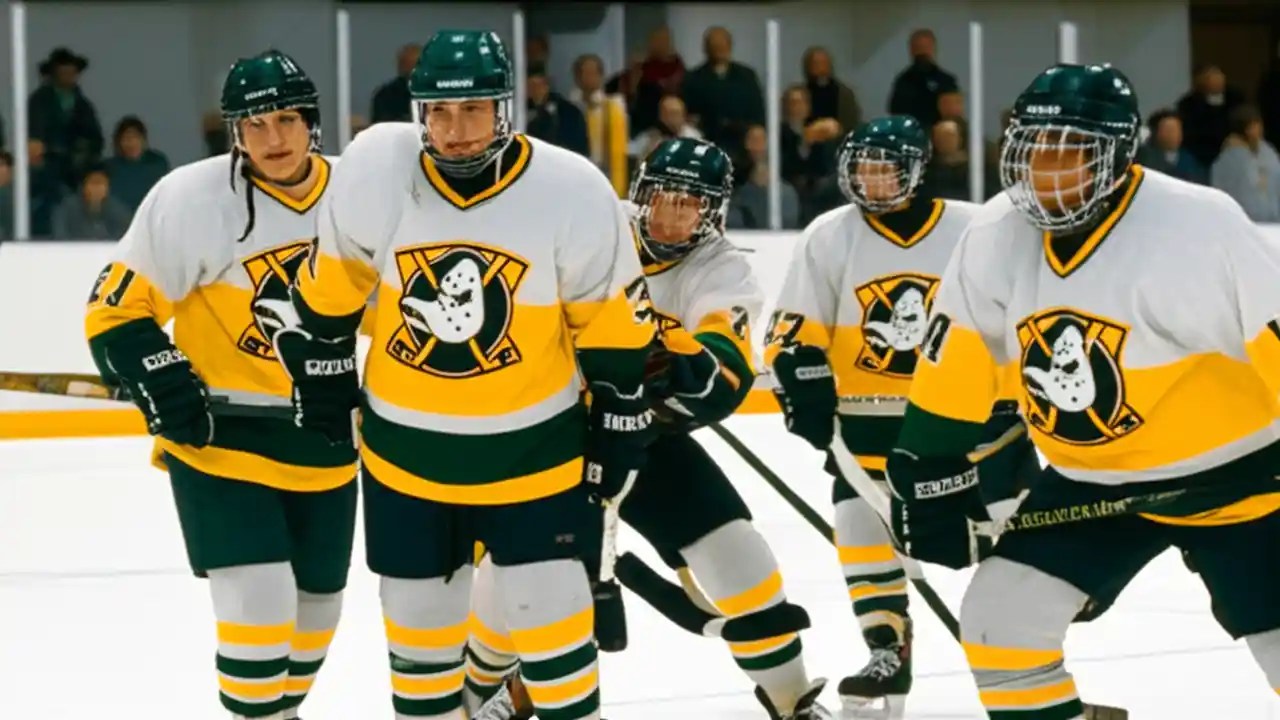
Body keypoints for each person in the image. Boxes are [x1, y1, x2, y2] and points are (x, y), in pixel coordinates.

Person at [276, 30, 656, 720]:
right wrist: (324, 368)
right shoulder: (375, 169)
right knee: (420, 642)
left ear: (504, 110)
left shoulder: (570, 188)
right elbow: (333, 289)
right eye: (439, 114)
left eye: (473, 111)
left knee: (554, 625)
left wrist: (621, 410)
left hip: (534, 454)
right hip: (405, 460)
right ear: (419, 112)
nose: (454, 132)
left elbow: (610, 325)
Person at [890, 62, 1280, 719]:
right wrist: (924, 465)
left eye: (1072, 149)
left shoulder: (1199, 226)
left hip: (1238, 480)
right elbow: (957, 360)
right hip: (1087, 481)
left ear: (1120, 154)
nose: (1048, 167)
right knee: (998, 623)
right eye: (1033, 147)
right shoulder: (992, 235)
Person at [465, 137, 836, 720]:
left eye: (691, 203)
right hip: (559, 433)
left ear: (712, 210)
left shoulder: (721, 270)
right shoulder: (594, 227)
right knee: (513, 579)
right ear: (642, 192)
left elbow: (725, 373)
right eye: (664, 196)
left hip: (648, 438)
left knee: (741, 560)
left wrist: (679, 362)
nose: (672, 214)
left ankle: (792, 698)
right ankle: (481, 694)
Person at [82, 49, 356, 720]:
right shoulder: (188, 199)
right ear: (234, 132)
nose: (273, 139)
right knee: (259, 603)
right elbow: (114, 311)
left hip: (323, 442)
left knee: (316, 613)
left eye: (286, 120)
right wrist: (154, 367)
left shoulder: (357, 198)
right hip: (219, 443)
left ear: (311, 122)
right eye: (255, 125)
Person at [764, 115, 1027, 719]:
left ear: (917, 168)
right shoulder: (829, 235)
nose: (873, 182)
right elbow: (789, 329)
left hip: (971, 427)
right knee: (863, 542)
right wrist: (798, 369)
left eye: (885, 170)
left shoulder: (974, 227)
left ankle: (1031, 660)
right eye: (862, 169)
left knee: (1012, 556)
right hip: (865, 434)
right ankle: (888, 651)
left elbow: (1017, 314)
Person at [52, 163, 131, 239]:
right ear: (83, 186)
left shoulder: (117, 209)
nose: (97, 189)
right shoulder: (67, 208)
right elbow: (60, 235)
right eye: (93, 183)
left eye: (101, 184)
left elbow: (124, 236)